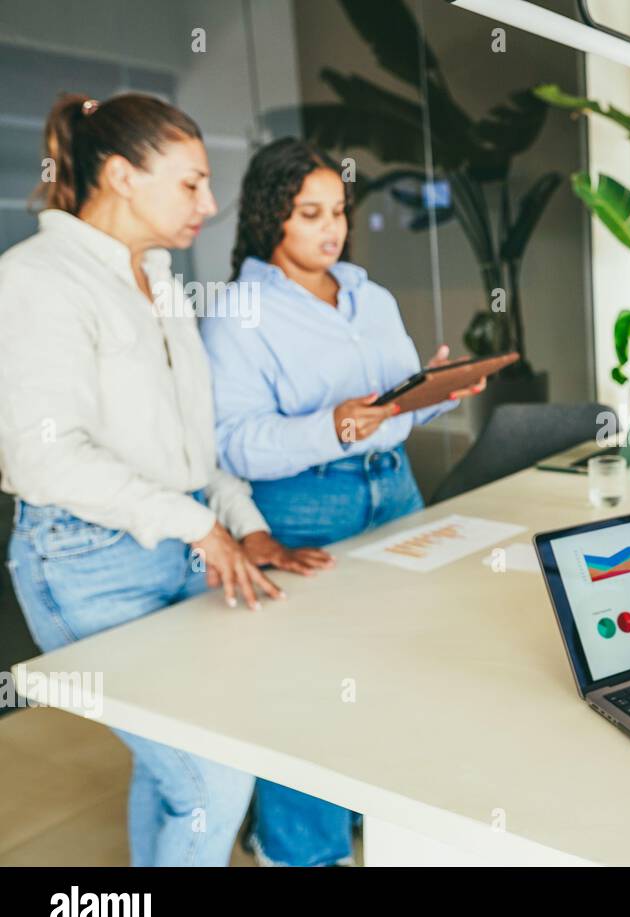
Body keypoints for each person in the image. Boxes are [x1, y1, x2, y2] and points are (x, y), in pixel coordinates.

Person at [0, 93, 329, 866]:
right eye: (191, 184)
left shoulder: (160, 279)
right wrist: (199, 528)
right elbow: (45, 456)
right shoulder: (36, 280)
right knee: (214, 778)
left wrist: (244, 523)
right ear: (119, 174)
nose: (210, 206)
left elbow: (192, 446)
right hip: (84, 564)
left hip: (176, 544)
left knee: (179, 760)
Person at [201, 137, 482, 866]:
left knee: (398, 667)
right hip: (305, 508)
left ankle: (370, 809)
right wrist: (329, 427)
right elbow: (233, 445)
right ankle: (297, 848)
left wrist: (433, 392)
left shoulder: (370, 295)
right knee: (308, 694)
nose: (332, 228)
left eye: (340, 212)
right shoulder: (238, 313)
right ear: (272, 220)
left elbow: (389, 411)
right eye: (310, 213)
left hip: (396, 489)